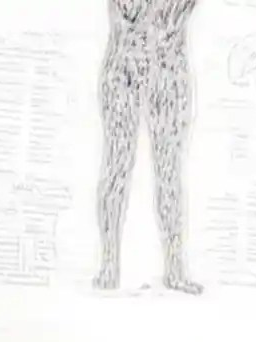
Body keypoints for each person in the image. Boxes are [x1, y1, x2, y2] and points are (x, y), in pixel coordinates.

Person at [95, 0, 202, 294]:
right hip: (125, 68)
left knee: (168, 171)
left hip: (167, 72)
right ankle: (109, 263)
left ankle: (174, 267)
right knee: (117, 165)